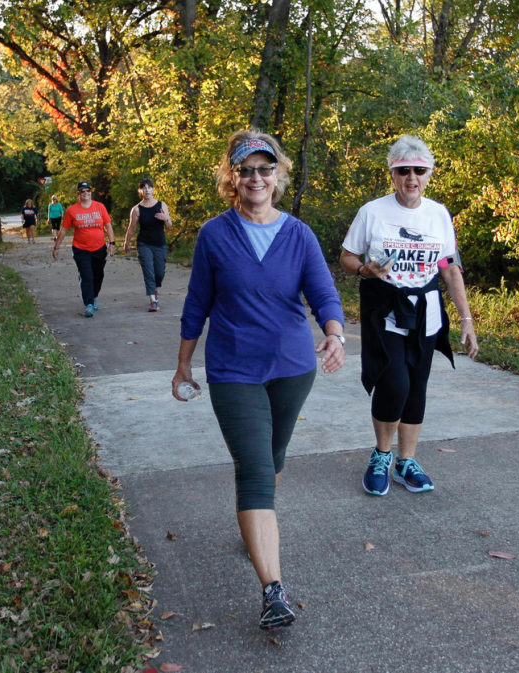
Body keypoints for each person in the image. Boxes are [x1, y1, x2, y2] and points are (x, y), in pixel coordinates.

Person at [171, 130, 346, 631]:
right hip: (233, 371)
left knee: (270, 461)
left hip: (293, 370)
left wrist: (335, 335)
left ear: (279, 175)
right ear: (232, 177)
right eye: (246, 169)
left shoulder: (299, 234)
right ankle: (274, 590)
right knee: (253, 469)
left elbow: (325, 294)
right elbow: (196, 305)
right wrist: (184, 364)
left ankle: (254, 524)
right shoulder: (214, 234)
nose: (256, 178)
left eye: (265, 169)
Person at [339, 134, 478, 497]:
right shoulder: (373, 211)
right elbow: (347, 257)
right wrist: (364, 270)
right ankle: (382, 455)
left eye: (419, 170)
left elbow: (449, 268)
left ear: (430, 174)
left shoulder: (438, 214)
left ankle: (406, 461)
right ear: (392, 174)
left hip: (426, 311)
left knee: (416, 386)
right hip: (385, 309)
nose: (411, 178)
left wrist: (466, 319)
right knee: (394, 381)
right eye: (403, 171)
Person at [52, 182, 116, 317]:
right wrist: (56, 247)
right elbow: (64, 230)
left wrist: (112, 243)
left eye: (88, 191)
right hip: (80, 249)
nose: (86, 193)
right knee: (87, 275)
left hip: (99, 248)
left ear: (91, 192)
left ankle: (93, 296)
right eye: (82, 191)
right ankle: (89, 304)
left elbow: (108, 226)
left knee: (98, 275)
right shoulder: (72, 210)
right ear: (78, 194)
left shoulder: (100, 207)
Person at [123, 178, 172, 312]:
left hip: (160, 244)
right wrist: (126, 243)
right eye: (144, 188)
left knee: (159, 273)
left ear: (153, 189)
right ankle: (153, 300)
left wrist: (165, 219)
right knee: (148, 272)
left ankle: (155, 290)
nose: (147, 190)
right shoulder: (137, 209)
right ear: (140, 191)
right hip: (144, 244)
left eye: (149, 187)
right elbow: (131, 228)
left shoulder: (162, 205)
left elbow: (169, 227)